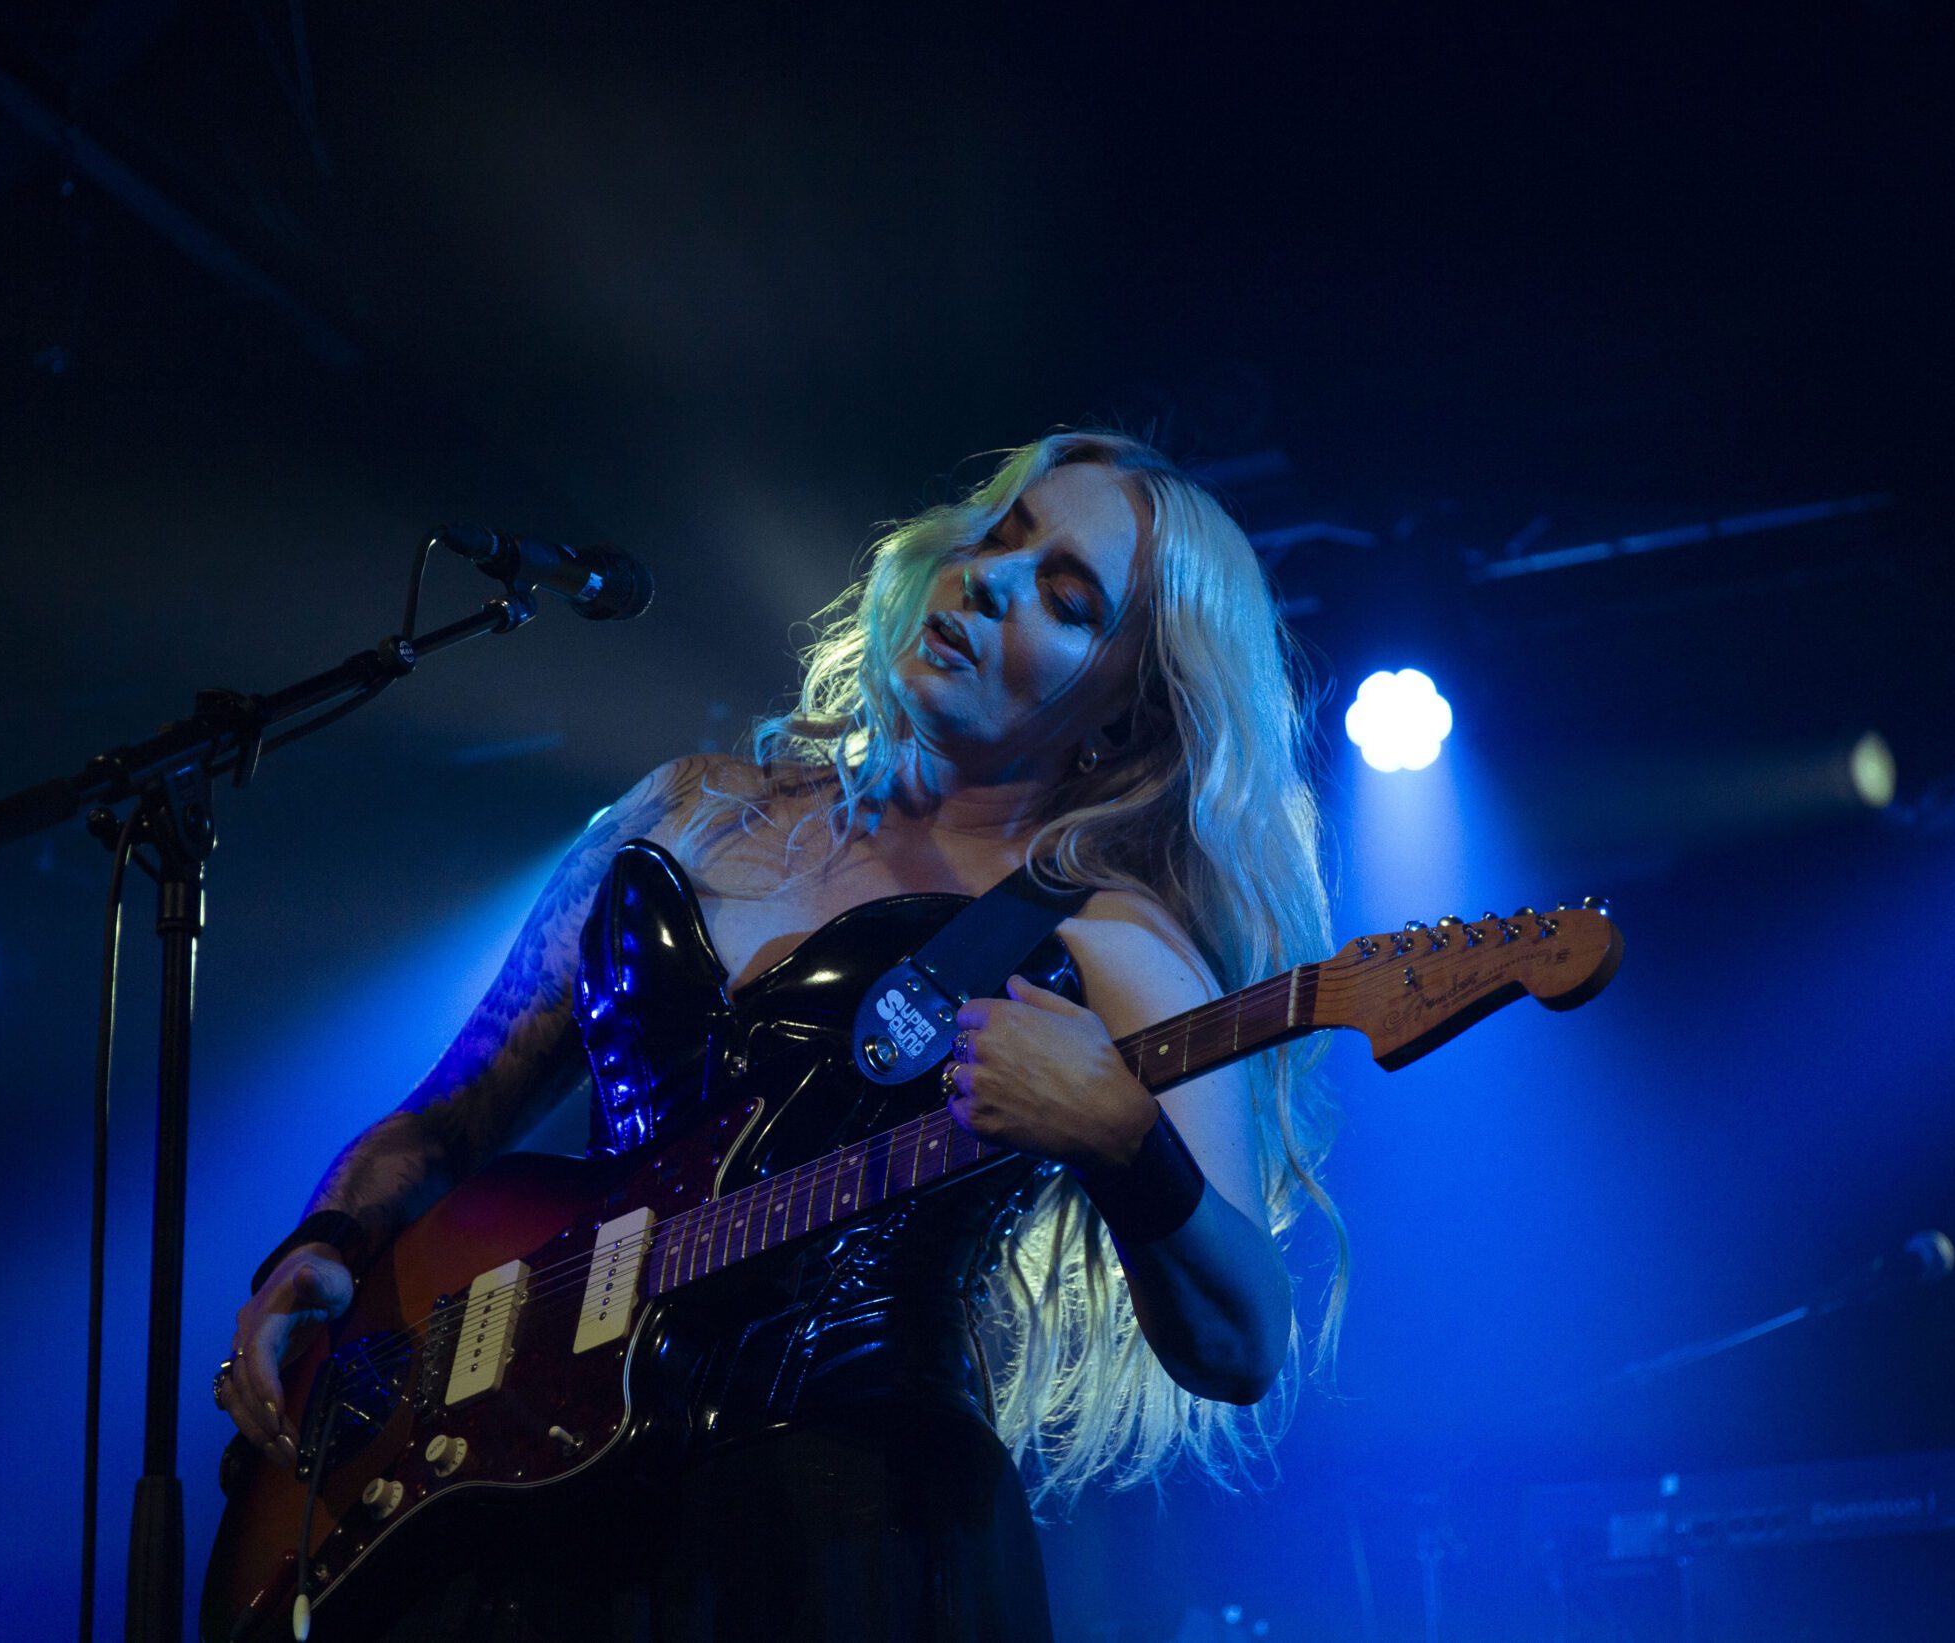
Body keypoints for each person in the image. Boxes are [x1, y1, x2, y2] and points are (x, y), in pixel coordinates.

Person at [213, 432, 1347, 1639]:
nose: (993, 578)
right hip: (524, 1510)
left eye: (1067, 599)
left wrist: (1129, 1143)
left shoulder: (1112, 946)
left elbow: (1242, 1342)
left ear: (1120, 720)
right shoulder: (688, 809)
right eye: (1001, 532)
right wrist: (330, 1237)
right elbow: (445, 1120)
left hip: (842, 1529)